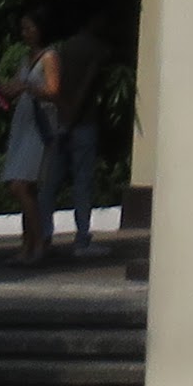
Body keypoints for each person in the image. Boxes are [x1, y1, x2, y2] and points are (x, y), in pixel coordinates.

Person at [0, 7, 65, 267]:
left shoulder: (50, 56)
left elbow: (54, 91)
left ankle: (38, 243)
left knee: (21, 185)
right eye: (23, 28)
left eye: (29, 27)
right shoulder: (27, 59)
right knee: (26, 188)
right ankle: (27, 245)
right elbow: (10, 89)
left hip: (40, 125)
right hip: (23, 124)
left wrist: (28, 87)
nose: (25, 33)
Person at [49, 16, 115, 254]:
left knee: (51, 182)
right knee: (82, 182)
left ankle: (43, 235)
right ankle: (82, 238)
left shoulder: (62, 48)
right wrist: (74, 116)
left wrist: (64, 119)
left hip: (60, 119)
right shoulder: (96, 49)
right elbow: (87, 86)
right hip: (83, 122)